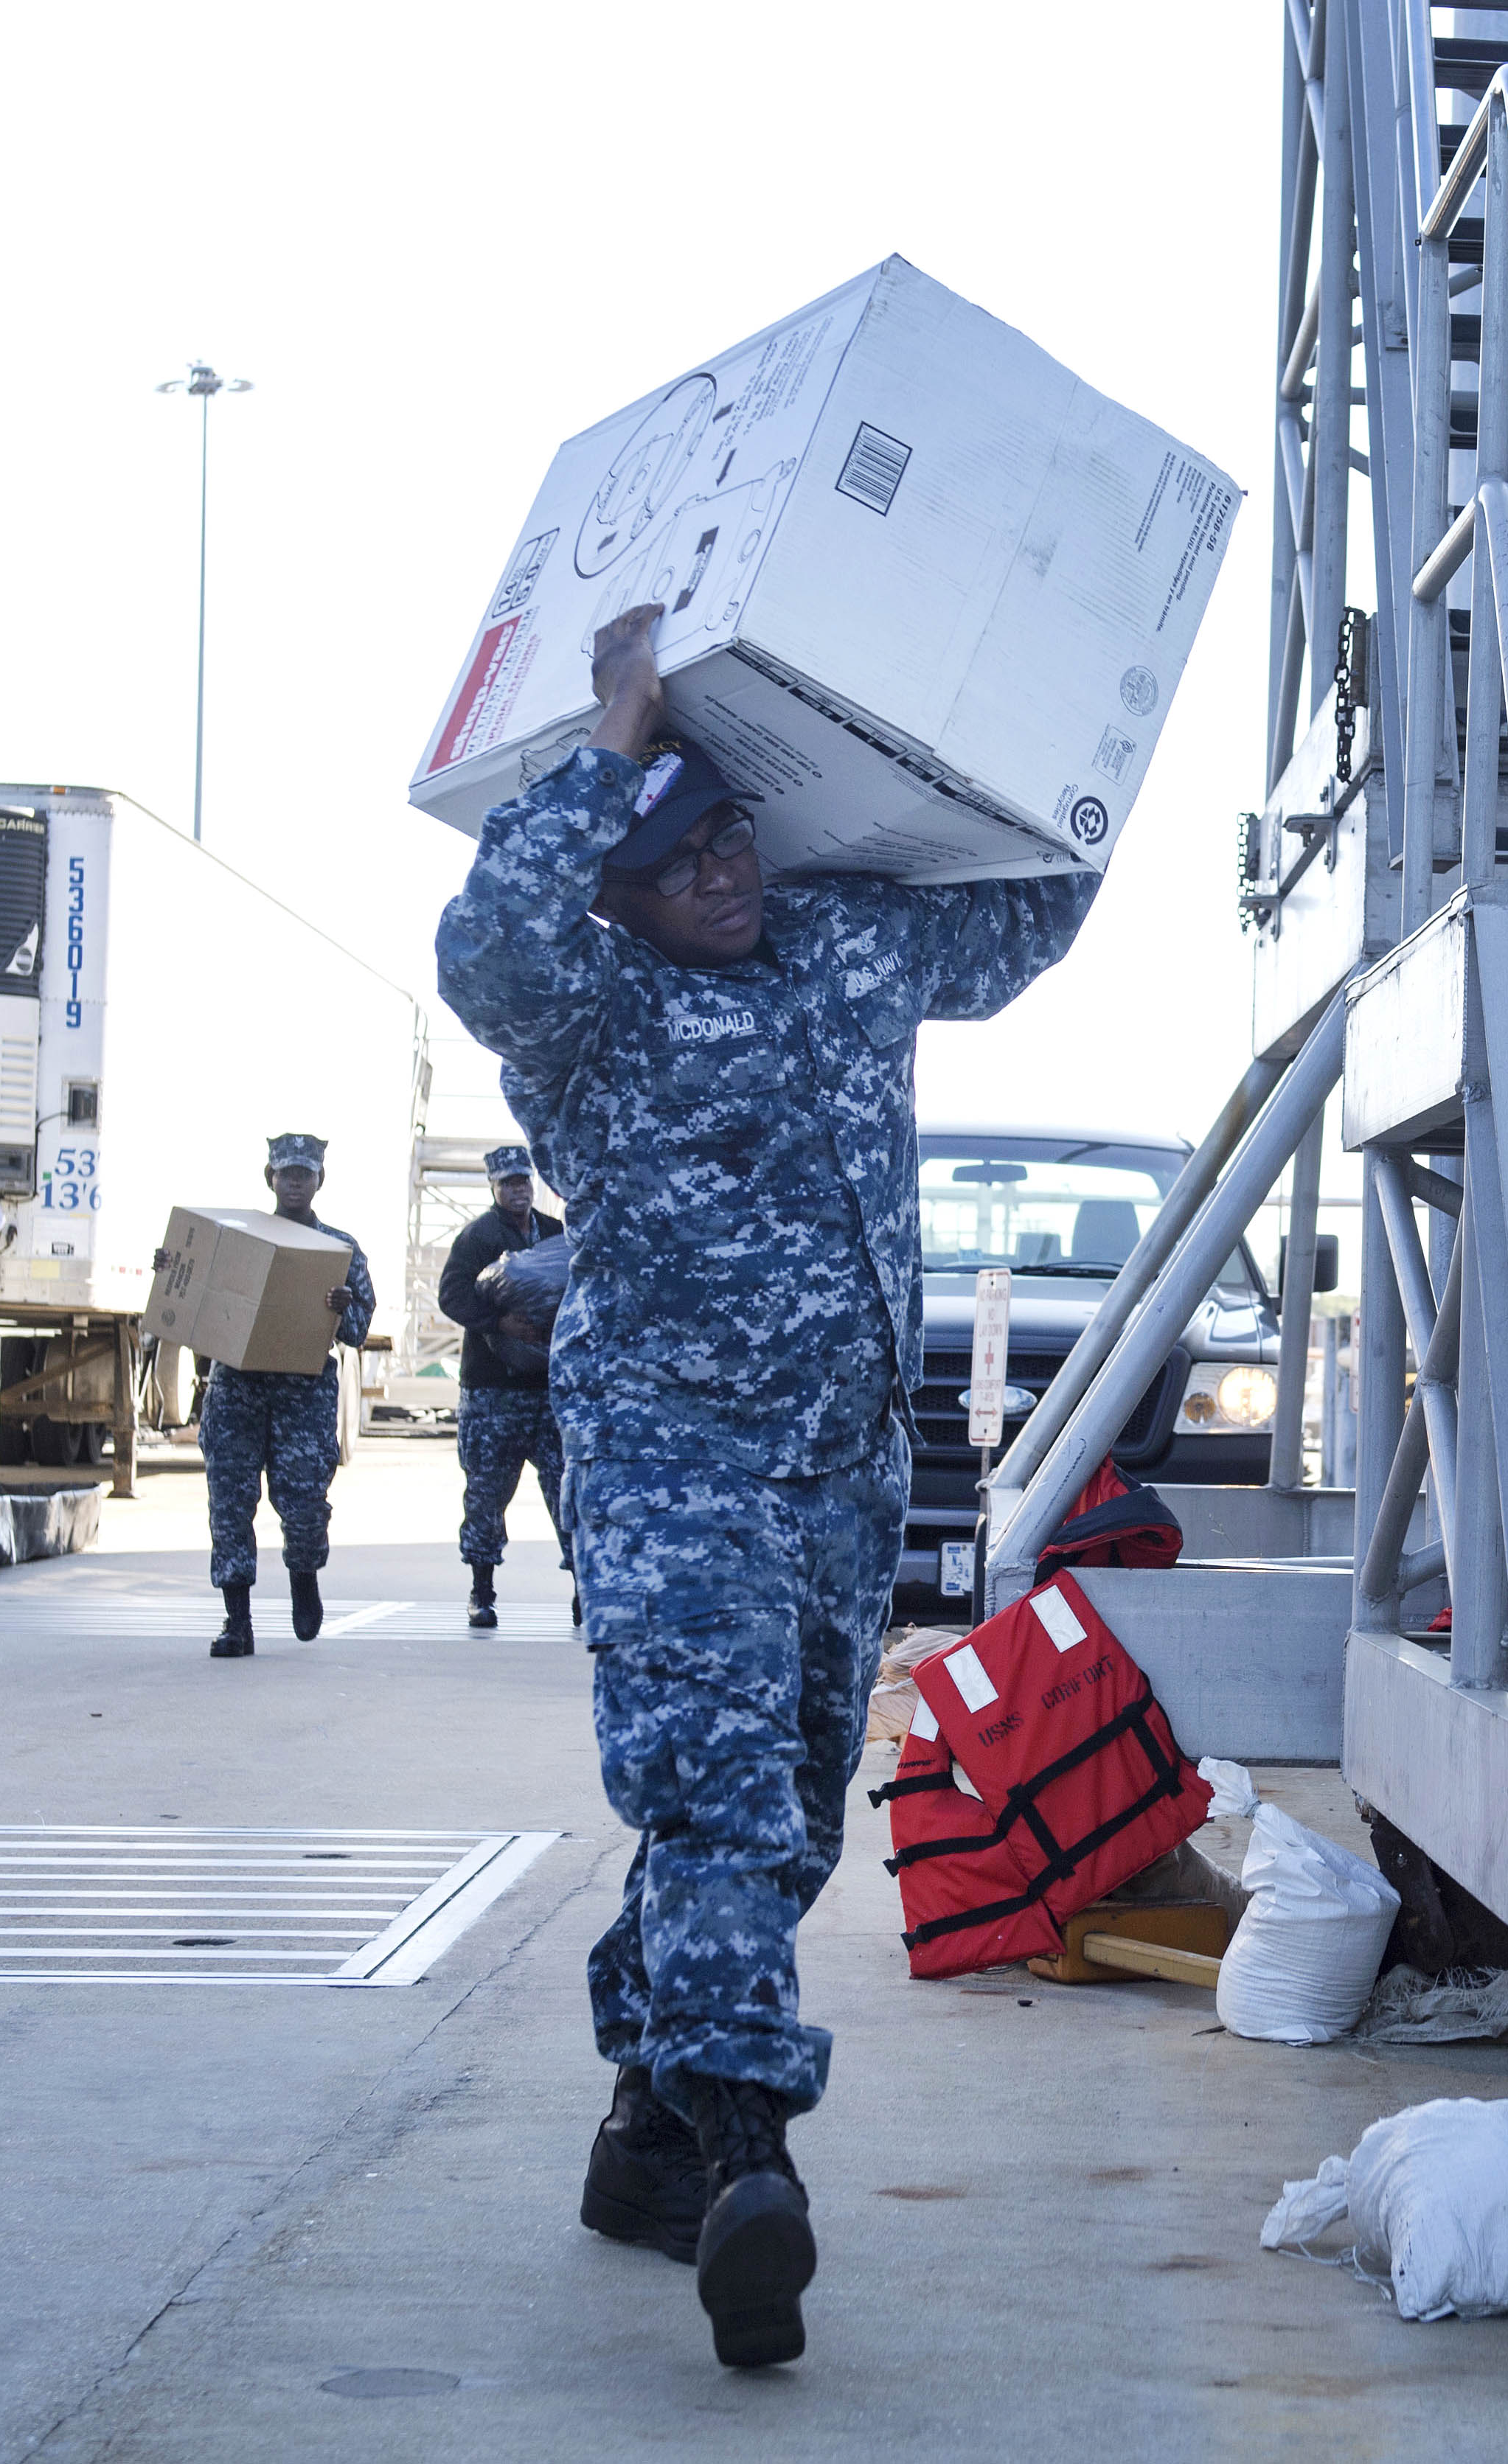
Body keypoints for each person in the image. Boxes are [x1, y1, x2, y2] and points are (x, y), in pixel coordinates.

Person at [435, 604, 1094, 2371]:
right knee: (716, 1795)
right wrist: (612, 745)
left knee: (791, 1816)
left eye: (730, 828)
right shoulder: (581, 1016)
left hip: (845, 1464)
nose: (719, 868)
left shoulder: (845, 945)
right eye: (674, 852)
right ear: (619, 884)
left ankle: (648, 2127)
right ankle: (749, 2160)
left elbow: (1031, 909)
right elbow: (485, 945)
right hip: (670, 1453)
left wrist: (1060, 717)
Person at [196, 1133, 374, 1658]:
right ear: (269, 1177)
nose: (295, 1182)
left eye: (305, 1173)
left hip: (303, 1395)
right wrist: (172, 1269)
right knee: (230, 1504)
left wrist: (342, 1307)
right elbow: (196, 1295)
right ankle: (237, 1621)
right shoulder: (239, 1239)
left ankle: (303, 1577)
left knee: (302, 1504)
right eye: (286, 1172)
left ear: (321, 1180)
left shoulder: (340, 1250)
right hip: (238, 1389)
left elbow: (359, 1330)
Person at [435, 1141, 571, 1628]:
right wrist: (498, 1323)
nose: (518, 1190)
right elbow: (451, 1297)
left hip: (549, 1391)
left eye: (524, 1181)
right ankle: (481, 1591)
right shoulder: (478, 1237)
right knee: (487, 1496)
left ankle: (584, 1590)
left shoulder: (556, 1232)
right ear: (494, 1187)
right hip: (493, 1393)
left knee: (569, 1491)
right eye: (509, 1183)